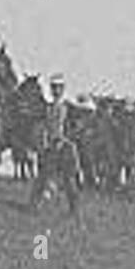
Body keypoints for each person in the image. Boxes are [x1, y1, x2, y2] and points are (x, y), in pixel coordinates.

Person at [29, 72, 80, 215]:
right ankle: (33, 207)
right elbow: (43, 126)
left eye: (59, 88)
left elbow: (75, 127)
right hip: (50, 147)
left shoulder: (69, 108)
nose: (56, 91)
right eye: (54, 88)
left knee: (69, 180)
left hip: (65, 147)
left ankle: (74, 209)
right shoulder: (48, 108)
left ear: (63, 89)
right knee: (42, 177)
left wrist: (67, 139)